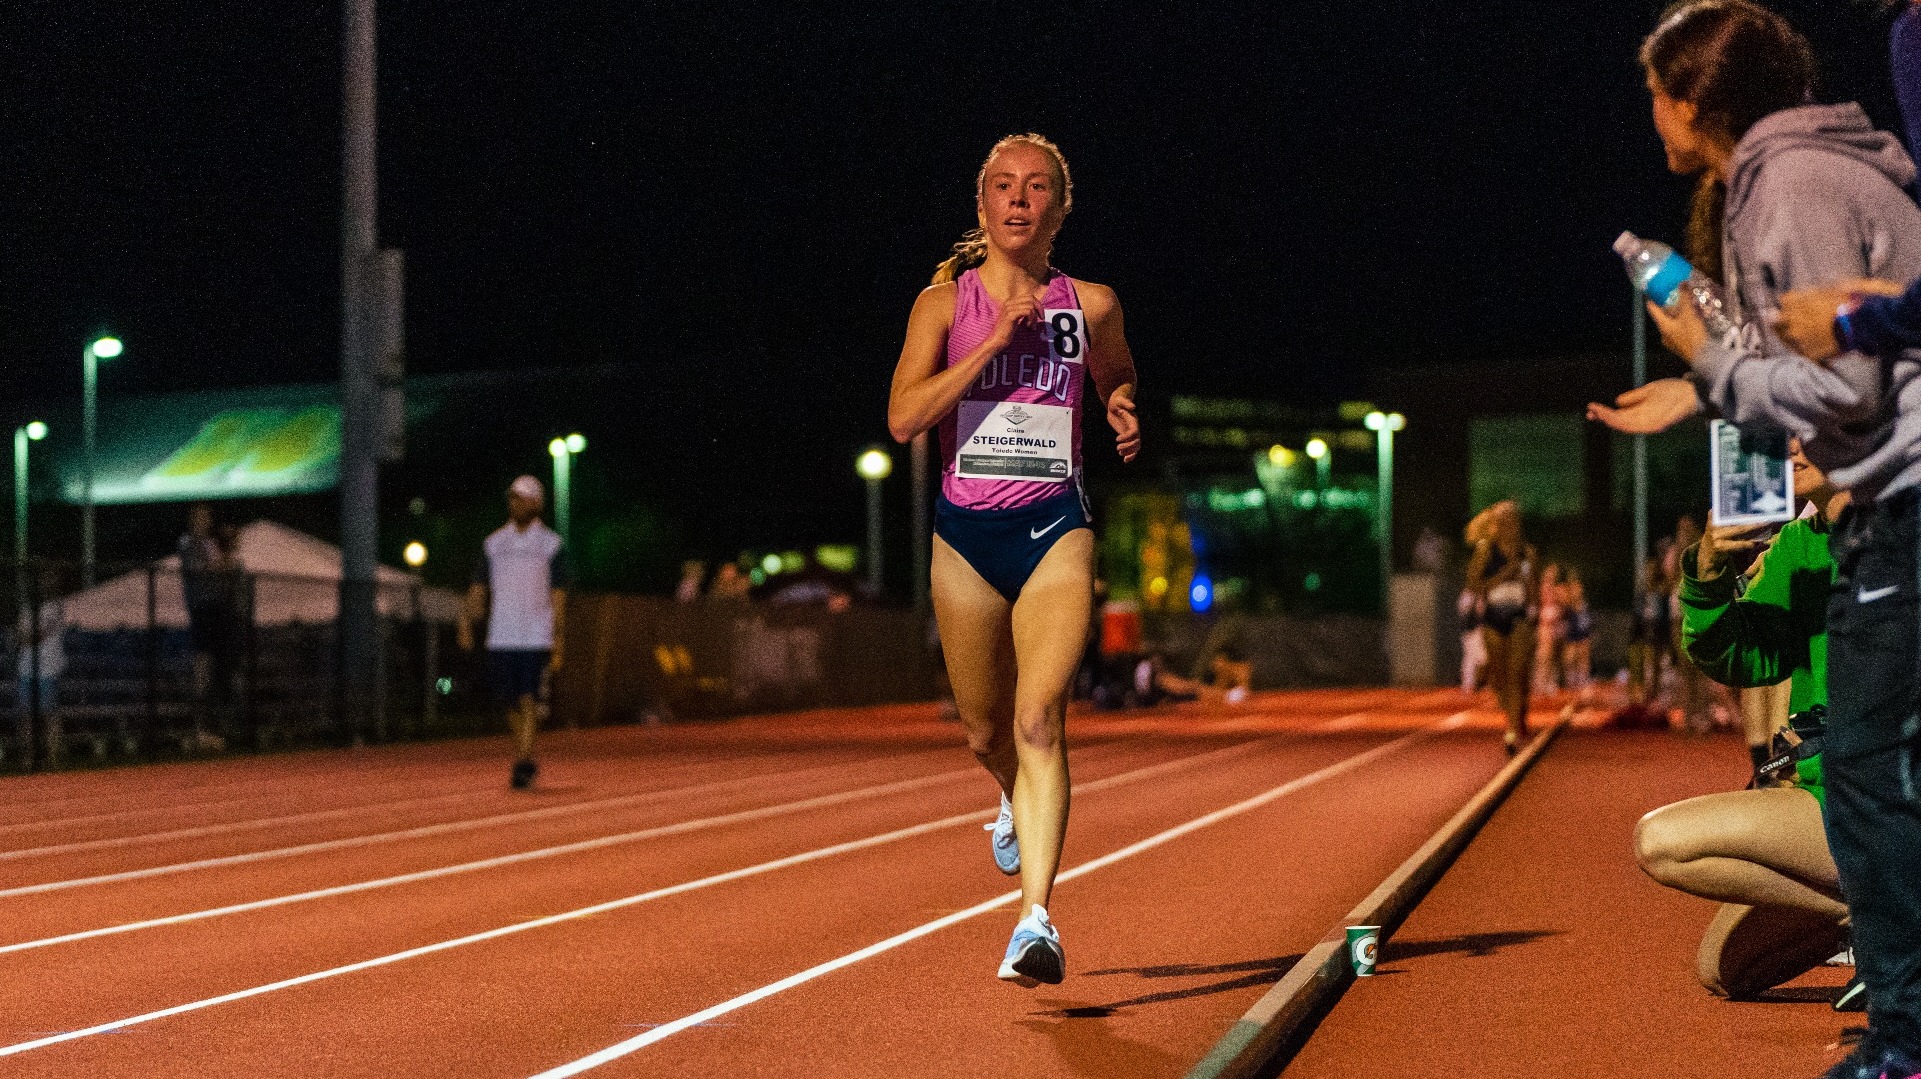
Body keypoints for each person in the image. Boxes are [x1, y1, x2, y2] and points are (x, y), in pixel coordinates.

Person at [1586, 5, 1921, 1072]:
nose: (1650, 118)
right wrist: (1699, 386)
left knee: (1868, 771)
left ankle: (1903, 1039)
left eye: (1654, 96)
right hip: (1895, 497)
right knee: (1873, 771)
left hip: (1905, 496)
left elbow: (1846, 381)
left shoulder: (1791, 181)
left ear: (1692, 101)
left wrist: (1714, 368)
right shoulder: (1813, 166)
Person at [886, 133, 1140, 986]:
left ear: (1060, 209)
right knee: (986, 730)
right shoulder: (941, 304)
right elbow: (903, 418)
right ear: (984, 206)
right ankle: (1005, 793)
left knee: (1040, 719)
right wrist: (992, 343)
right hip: (963, 538)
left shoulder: (1092, 303)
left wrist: (1119, 405)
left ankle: (1036, 919)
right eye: (1003, 186)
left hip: (1054, 526)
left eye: (1037, 188)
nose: (1019, 200)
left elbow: (1117, 372)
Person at [1638, 441, 1849, 1003]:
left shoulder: (1900, 533)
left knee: (1662, 839)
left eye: (1809, 426)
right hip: (1832, 788)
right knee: (1725, 971)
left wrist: (1825, 738)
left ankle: (1894, 920)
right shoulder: (1802, 541)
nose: (1790, 444)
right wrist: (1707, 571)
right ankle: (1885, 918)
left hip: (1886, 794)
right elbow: (1741, 655)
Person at [459, 475, 572, 790]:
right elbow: (478, 586)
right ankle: (525, 755)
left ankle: (523, 759)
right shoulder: (494, 543)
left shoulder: (550, 545)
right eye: (512, 498)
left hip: (536, 633)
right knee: (509, 701)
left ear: (536, 503)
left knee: (528, 698)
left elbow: (559, 595)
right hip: (502, 634)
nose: (514, 503)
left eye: (521, 498)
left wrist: (559, 637)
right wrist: (467, 621)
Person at [1464, 500, 1537, 755]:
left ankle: (1512, 729)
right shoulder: (1485, 552)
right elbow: (1474, 585)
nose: (1510, 526)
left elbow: (1533, 588)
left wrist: (1533, 611)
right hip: (1493, 616)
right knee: (1498, 674)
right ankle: (1512, 715)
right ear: (1497, 524)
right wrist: (1505, 574)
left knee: (1517, 673)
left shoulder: (1527, 553)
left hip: (1518, 616)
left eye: (1514, 520)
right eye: (1505, 521)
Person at [1559, 569, 1594, 694]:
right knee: (1569, 658)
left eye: (1578, 587)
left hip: (1583, 631)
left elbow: (1587, 619)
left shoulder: (1583, 603)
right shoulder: (1568, 599)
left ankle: (1583, 681)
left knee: (1583, 657)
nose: (1576, 590)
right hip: (1572, 632)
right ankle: (1571, 682)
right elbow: (1565, 606)